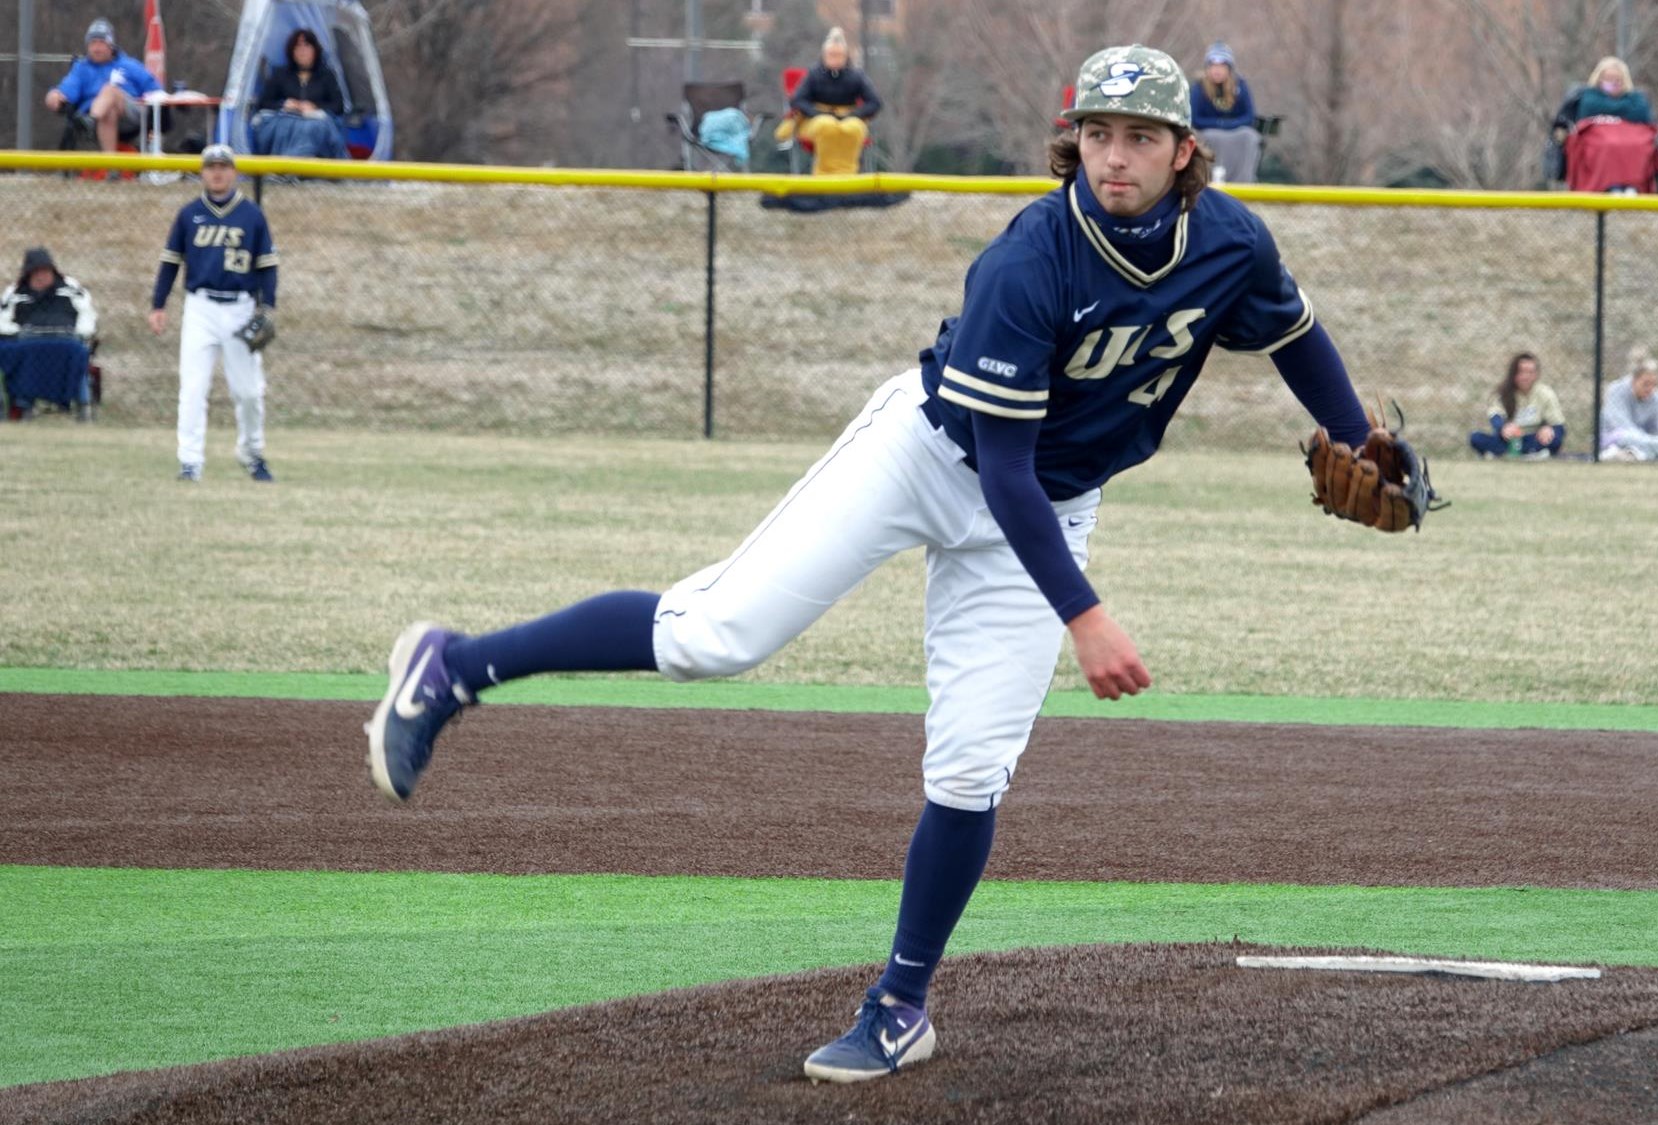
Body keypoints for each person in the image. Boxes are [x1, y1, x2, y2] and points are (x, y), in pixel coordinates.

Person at [366, 44, 1405, 1084]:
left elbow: (1292, 336)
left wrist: (1357, 433)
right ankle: (454, 668)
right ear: (1071, 141)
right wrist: (1084, 615)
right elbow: (1001, 469)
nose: (1113, 156)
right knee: (712, 637)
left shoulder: (1228, 241)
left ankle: (899, 1005)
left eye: (1138, 138)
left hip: (1052, 503)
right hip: (926, 457)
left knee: (968, 771)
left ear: (1184, 152)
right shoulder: (1030, 258)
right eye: (1095, 134)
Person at [148, 145, 280, 483]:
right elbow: (170, 262)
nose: (217, 172)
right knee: (193, 388)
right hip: (201, 307)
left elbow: (267, 266)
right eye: (211, 167)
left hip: (240, 307)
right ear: (202, 173)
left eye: (223, 166)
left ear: (234, 172)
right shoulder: (189, 214)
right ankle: (190, 461)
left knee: (249, 392)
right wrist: (158, 304)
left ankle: (251, 453)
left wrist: (268, 306)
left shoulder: (251, 215)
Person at [0, 247, 97, 417]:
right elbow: (3, 320)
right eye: (35, 272)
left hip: (65, 342)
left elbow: (87, 314)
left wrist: (81, 332)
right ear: (28, 274)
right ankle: (23, 405)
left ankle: (82, 405)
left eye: (45, 271)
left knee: (78, 352)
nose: (41, 276)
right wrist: (18, 332)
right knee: (15, 353)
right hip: (27, 344)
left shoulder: (70, 288)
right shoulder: (15, 292)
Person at [43, 18, 161, 155]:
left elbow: (155, 91)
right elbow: (66, 91)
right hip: (105, 117)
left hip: (132, 114)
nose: (96, 48)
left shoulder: (130, 65)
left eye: (101, 43)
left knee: (110, 90)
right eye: (93, 43)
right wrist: (54, 96)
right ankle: (111, 166)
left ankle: (91, 120)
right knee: (108, 113)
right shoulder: (81, 69)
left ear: (111, 45)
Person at [785, 28, 881, 175]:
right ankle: (823, 175)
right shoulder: (814, 74)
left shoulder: (857, 76)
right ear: (824, 55)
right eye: (831, 55)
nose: (835, 59)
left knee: (853, 129)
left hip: (849, 117)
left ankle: (849, 174)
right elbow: (798, 100)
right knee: (826, 127)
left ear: (846, 56)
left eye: (839, 55)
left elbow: (874, 102)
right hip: (817, 119)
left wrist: (855, 114)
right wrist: (816, 113)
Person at [251, 28, 349, 160]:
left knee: (315, 127)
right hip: (285, 119)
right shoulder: (280, 75)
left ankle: (301, 162)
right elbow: (263, 103)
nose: (303, 51)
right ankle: (286, 165)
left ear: (315, 50)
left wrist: (314, 107)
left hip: (316, 121)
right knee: (279, 128)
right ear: (292, 51)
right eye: (298, 46)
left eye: (307, 46)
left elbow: (338, 106)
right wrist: (285, 104)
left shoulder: (327, 76)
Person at [1469, 352, 1564, 459]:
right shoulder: (1503, 393)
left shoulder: (1545, 393)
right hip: (1509, 440)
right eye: (1521, 372)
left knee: (1554, 439)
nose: (1526, 376)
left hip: (1534, 438)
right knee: (1476, 437)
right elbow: (1495, 415)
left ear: (1536, 374)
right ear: (1513, 373)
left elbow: (1558, 425)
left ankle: (1504, 455)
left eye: (1530, 372)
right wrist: (1503, 428)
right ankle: (1524, 454)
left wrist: (1549, 429)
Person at [1190, 42, 1259, 183]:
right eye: (1213, 66)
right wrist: (1218, 124)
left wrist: (1229, 124)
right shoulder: (1199, 87)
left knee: (1250, 136)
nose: (1217, 70)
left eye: (1221, 66)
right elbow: (1195, 118)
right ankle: (1209, 178)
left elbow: (1249, 116)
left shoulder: (1240, 86)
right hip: (1207, 131)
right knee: (1210, 137)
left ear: (1229, 69)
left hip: (1235, 129)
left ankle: (1243, 181)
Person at [1574, 57, 1652, 123]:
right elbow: (1591, 109)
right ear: (1599, 79)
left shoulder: (1636, 98)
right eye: (1609, 79)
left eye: (1618, 79)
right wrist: (1624, 110)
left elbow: (1642, 114)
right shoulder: (1588, 97)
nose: (1614, 83)